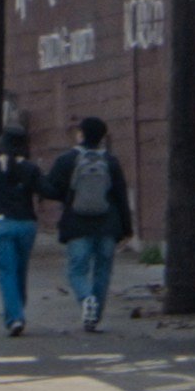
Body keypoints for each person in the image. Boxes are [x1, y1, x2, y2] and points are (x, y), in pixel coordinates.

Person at [49, 115, 132, 331]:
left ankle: (86, 299)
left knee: (77, 270)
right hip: (108, 224)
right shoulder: (110, 161)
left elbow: (52, 188)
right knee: (102, 271)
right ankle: (94, 317)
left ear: (81, 134)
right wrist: (127, 228)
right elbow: (121, 195)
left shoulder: (67, 159)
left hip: (77, 224)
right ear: (102, 137)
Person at [0, 115, 46, 337]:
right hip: (26, 224)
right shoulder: (31, 169)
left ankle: (14, 317)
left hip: (0, 224)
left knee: (6, 272)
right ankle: (17, 309)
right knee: (20, 271)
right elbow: (45, 190)